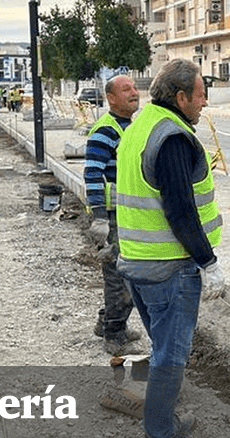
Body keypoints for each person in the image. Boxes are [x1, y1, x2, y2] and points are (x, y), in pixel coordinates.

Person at [116, 59, 225, 438]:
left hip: (136, 265)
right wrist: (208, 261)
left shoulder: (138, 127)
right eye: (200, 95)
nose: (204, 103)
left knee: (163, 348)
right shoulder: (172, 137)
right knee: (170, 356)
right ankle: (162, 431)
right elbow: (181, 210)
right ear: (181, 97)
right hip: (169, 270)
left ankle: (165, 422)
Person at [85, 74, 143, 354]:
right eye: (126, 89)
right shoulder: (105, 130)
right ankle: (114, 335)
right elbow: (92, 173)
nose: (134, 93)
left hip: (127, 213)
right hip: (112, 216)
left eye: (134, 88)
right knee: (119, 274)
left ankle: (107, 321)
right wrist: (98, 216)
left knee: (125, 272)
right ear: (111, 98)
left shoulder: (129, 126)